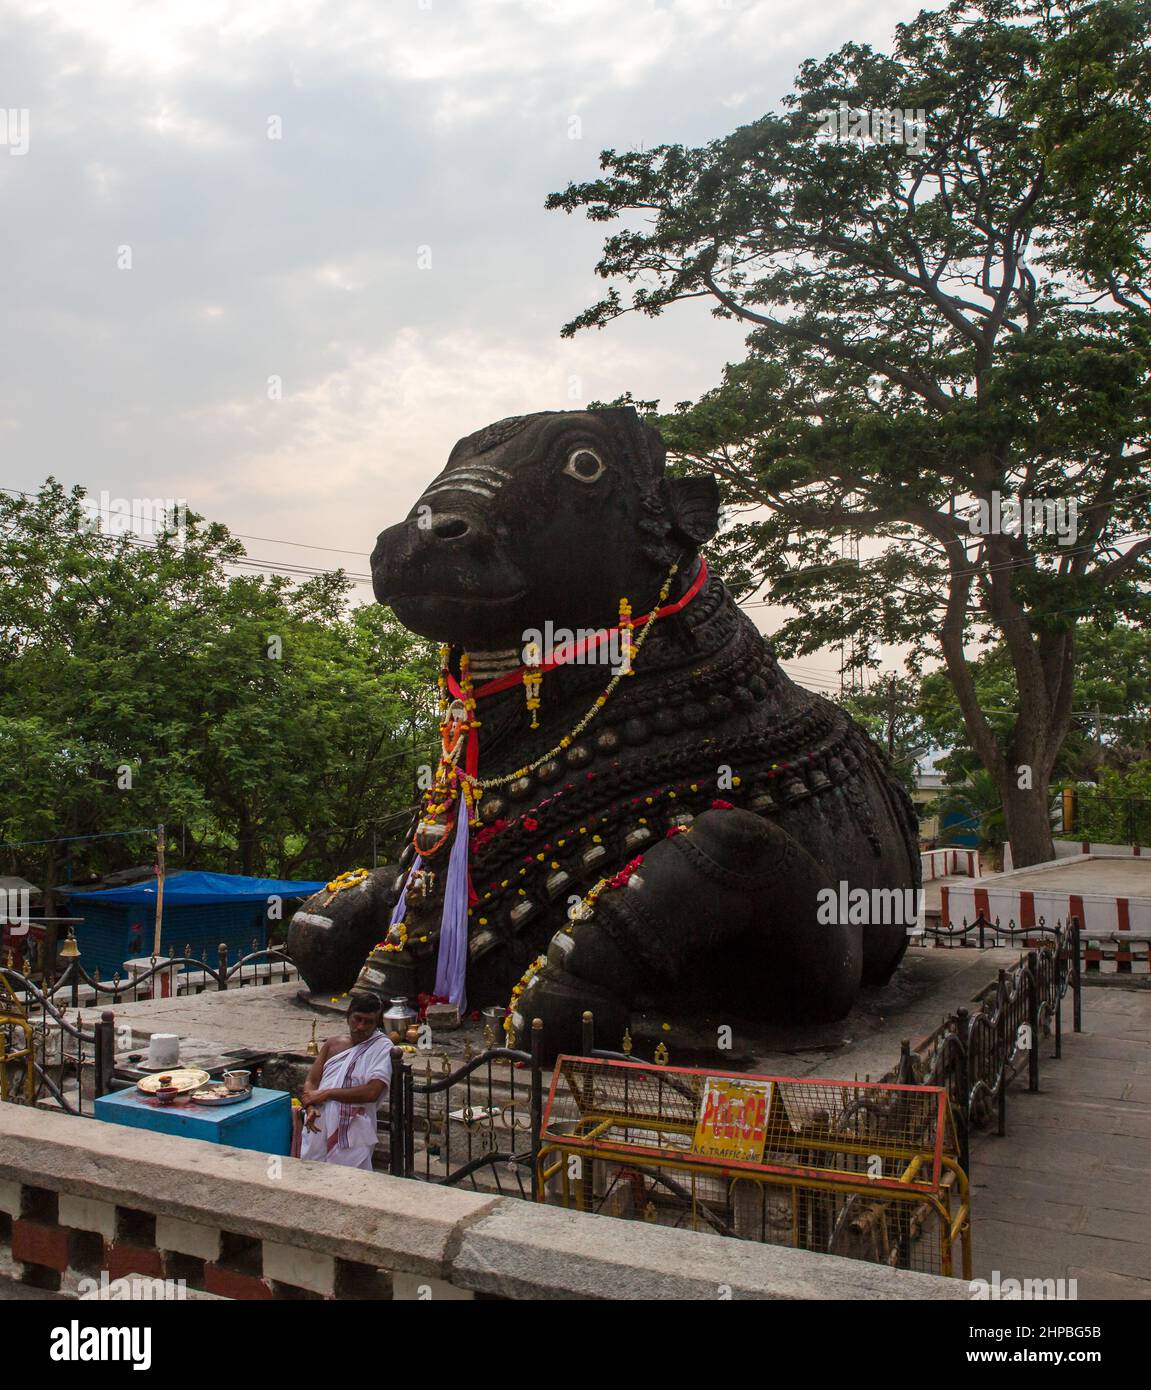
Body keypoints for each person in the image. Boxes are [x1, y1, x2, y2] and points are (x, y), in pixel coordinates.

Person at [299, 993, 393, 1170]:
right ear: (347, 1016)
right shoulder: (333, 1045)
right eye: (357, 1019)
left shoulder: (382, 1047)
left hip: (354, 1130)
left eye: (369, 1022)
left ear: (377, 1024)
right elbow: (312, 1081)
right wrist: (310, 1107)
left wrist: (326, 1094)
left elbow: (372, 1092)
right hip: (318, 1122)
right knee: (312, 1177)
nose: (361, 1026)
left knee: (351, 1182)